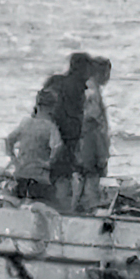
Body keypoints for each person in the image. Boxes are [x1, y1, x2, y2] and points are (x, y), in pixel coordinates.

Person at [40, 52, 92, 208]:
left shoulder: (54, 81)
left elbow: (40, 105)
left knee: (49, 173)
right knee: (64, 175)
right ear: (82, 69)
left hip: (46, 132)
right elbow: (76, 117)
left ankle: (47, 203)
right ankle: (63, 208)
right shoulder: (77, 87)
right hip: (67, 137)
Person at [3, 89, 65, 202]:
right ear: (52, 108)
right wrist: (50, 162)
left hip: (22, 172)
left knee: (19, 202)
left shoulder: (26, 123)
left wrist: (14, 159)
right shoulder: (50, 127)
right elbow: (57, 146)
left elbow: (9, 140)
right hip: (40, 175)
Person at [72, 56, 112, 211]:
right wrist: (101, 150)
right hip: (90, 140)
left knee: (84, 177)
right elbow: (92, 121)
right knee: (91, 175)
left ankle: (81, 207)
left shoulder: (88, 89)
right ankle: (88, 209)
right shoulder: (92, 92)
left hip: (87, 140)